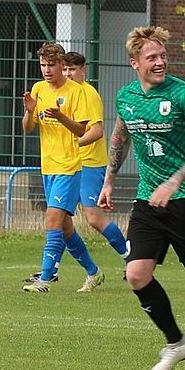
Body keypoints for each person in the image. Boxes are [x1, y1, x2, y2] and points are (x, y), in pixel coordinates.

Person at [98, 26, 185, 370]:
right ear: (134, 63)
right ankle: (176, 342)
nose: (160, 62)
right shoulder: (126, 97)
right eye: (151, 58)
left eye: (162, 56)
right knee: (136, 274)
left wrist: (174, 182)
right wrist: (109, 181)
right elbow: (120, 137)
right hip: (147, 199)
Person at [23, 52, 129, 286]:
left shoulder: (86, 93)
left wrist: (70, 143)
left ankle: (132, 260)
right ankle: (89, 271)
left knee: (90, 218)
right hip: (56, 164)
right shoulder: (42, 89)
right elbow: (29, 126)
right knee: (62, 222)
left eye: (72, 69)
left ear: (82, 70)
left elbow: (95, 131)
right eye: (66, 69)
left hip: (87, 162)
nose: (68, 73)